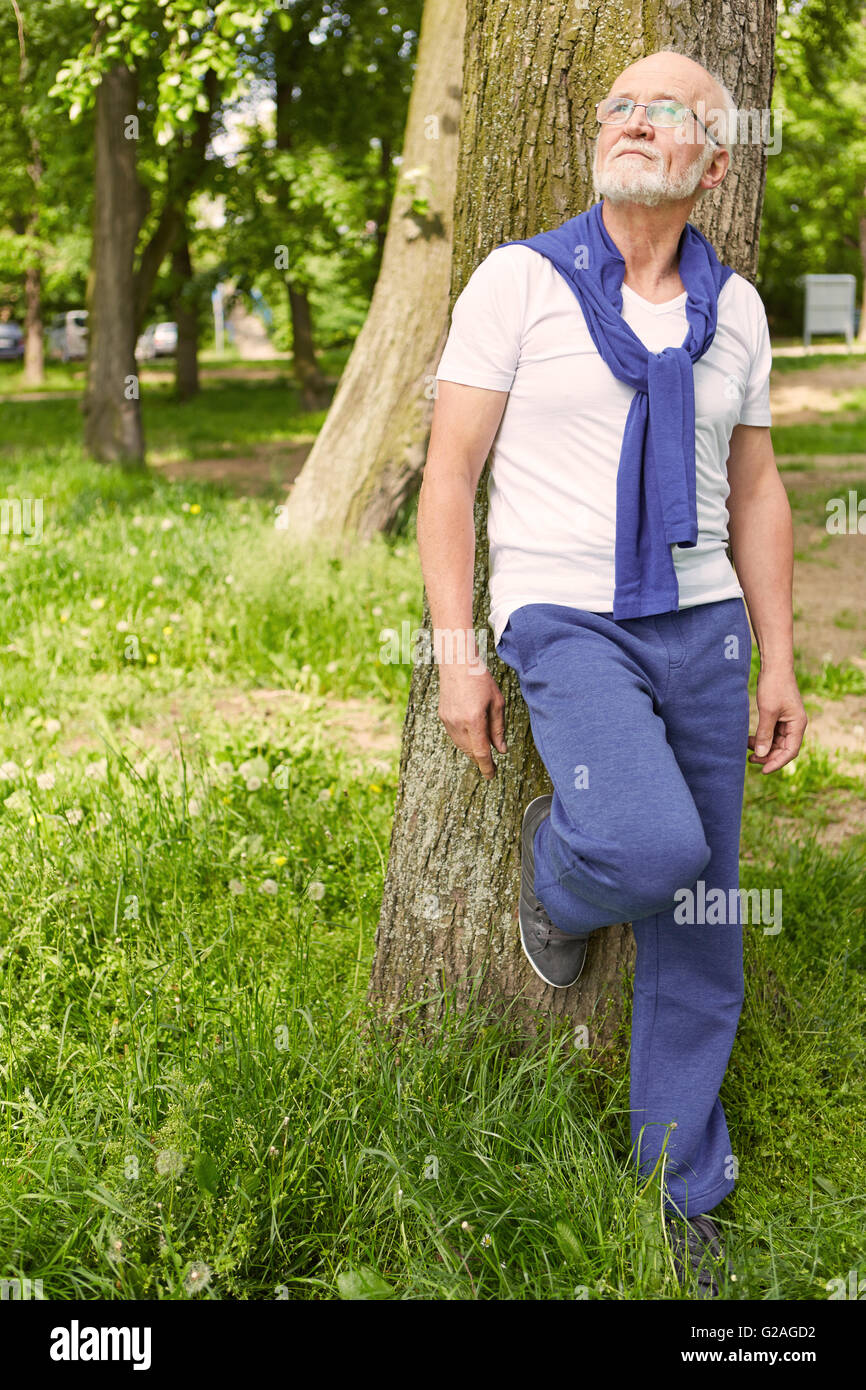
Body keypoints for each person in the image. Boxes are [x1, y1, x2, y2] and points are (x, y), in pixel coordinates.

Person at [417, 48, 807, 1297]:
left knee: (701, 925)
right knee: (646, 850)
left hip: (703, 627)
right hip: (564, 617)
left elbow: (754, 488)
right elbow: (445, 478)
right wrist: (454, 656)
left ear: (712, 156)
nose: (634, 126)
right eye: (618, 109)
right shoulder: (517, 281)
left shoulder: (731, 308)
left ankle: (680, 1193)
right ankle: (555, 871)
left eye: (667, 114)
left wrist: (777, 657)